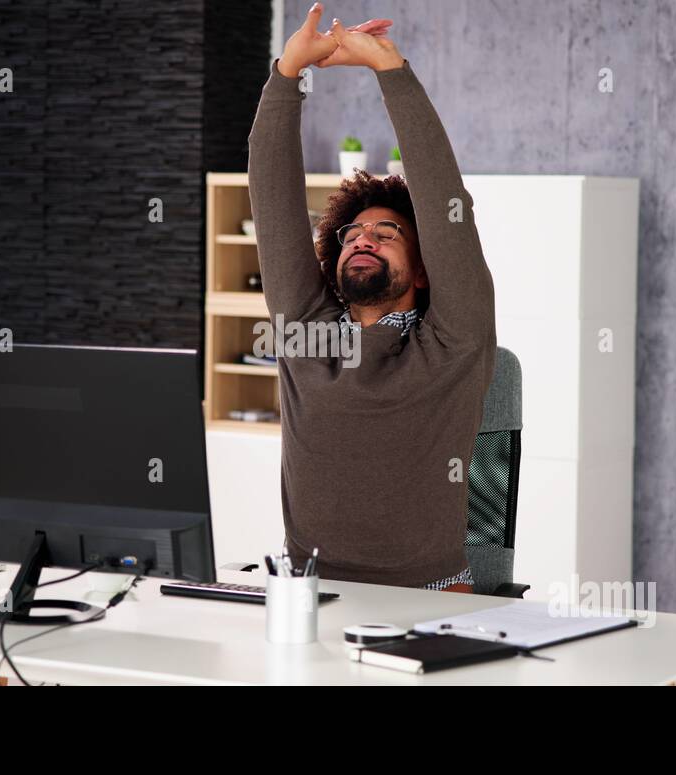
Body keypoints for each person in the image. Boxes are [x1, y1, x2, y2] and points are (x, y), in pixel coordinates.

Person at [248, 3, 496, 593]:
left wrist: (392, 72)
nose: (364, 239)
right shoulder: (306, 334)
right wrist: (286, 77)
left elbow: (443, 201)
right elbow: (274, 201)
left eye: (387, 235)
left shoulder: (452, 341)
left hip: (427, 597)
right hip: (309, 591)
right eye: (352, 235)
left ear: (425, 267)